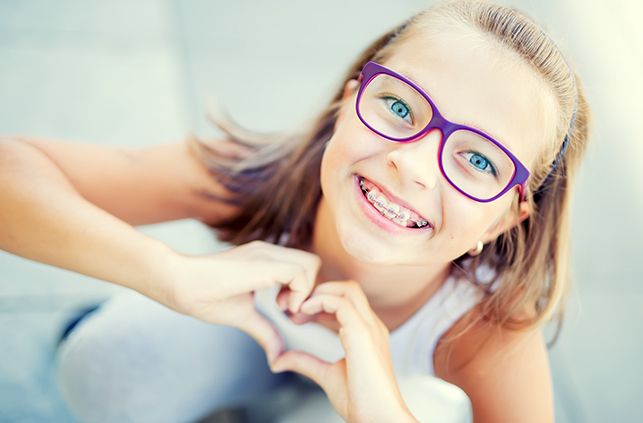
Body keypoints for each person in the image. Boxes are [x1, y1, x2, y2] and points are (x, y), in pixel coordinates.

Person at [0, 0, 591, 421]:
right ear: (349, 101)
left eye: (480, 162)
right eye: (399, 107)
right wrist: (167, 273)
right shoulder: (256, 176)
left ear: (504, 219)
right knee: (106, 362)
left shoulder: (485, 334)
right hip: (239, 343)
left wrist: (382, 413)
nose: (414, 165)